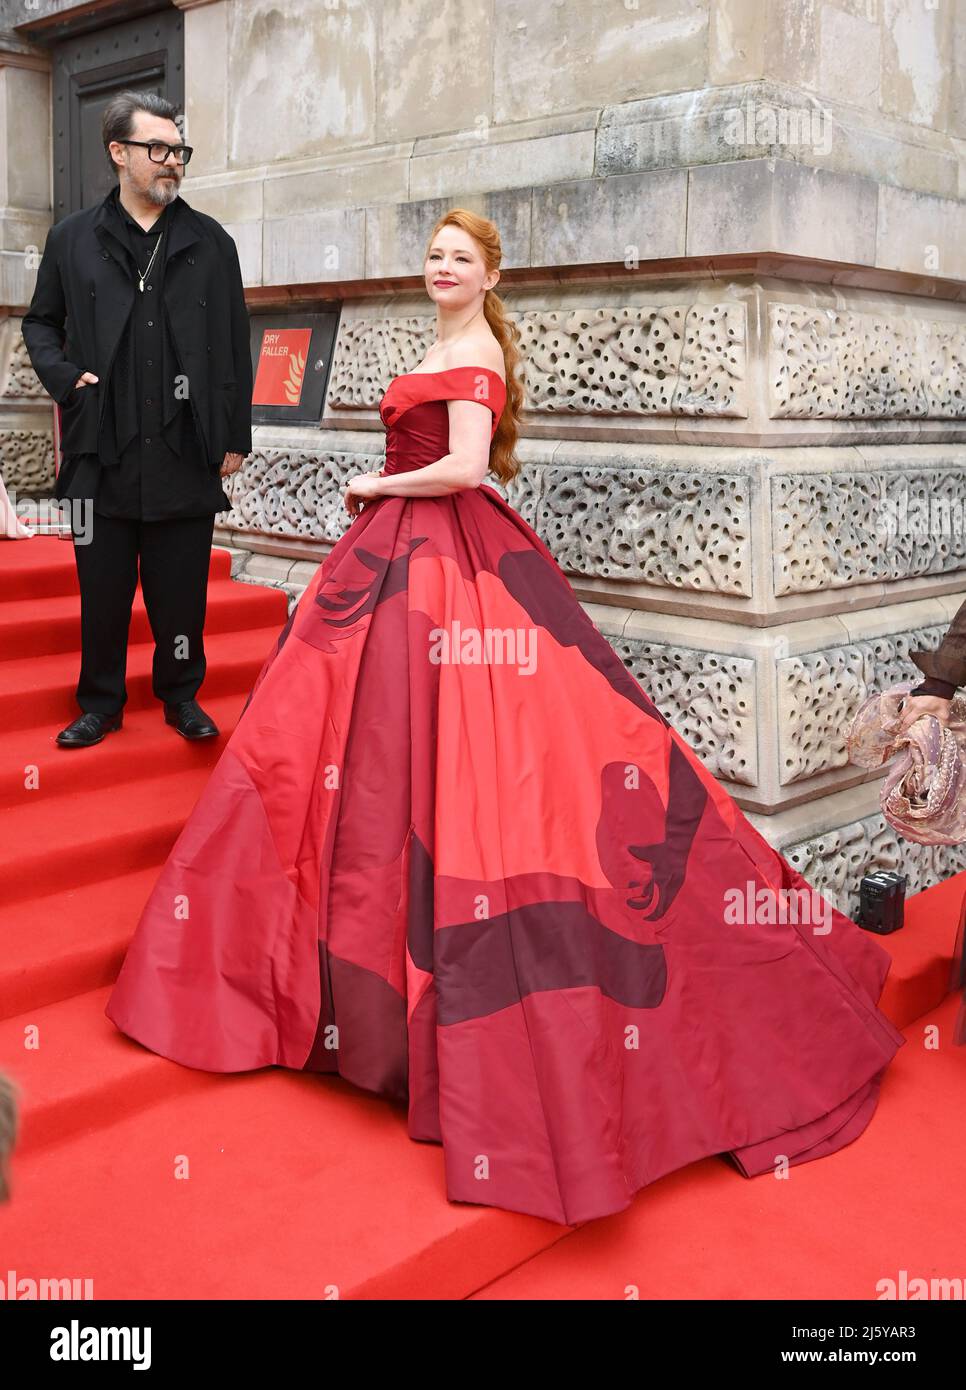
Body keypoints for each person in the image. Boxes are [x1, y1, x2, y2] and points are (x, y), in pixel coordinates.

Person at [105, 209, 906, 1226]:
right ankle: (344, 1002)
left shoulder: (474, 348)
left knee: (472, 767)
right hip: (404, 560)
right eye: (433, 256)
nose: (441, 269)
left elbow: (468, 468)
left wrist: (374, 479)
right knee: (360, 754)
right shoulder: (445, 340)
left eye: (459, 258)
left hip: (448, 557)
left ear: (490, 274)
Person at [21, 91, 252, 749]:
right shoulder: (72, 240)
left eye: (178, 149)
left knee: (182, 594)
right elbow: (40, 322)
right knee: (103, 591)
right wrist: (66, 381)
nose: (171, 161)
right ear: (118, 153)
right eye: (158, 149)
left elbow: (236, 339)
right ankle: (101, 703)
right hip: (102, 445)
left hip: (186, 444)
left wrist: (235, 432)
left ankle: (181, 696)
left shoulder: (211, 242)